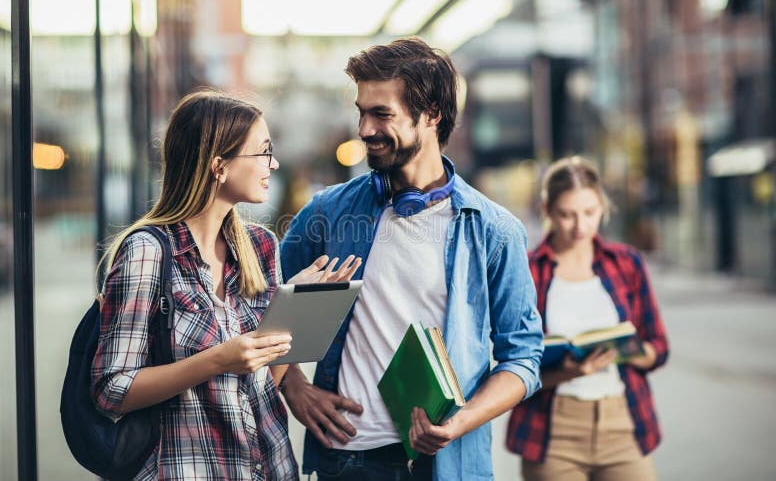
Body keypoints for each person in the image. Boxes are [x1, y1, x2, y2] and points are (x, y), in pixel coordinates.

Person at [279, 37, 544, 481]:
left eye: (381, 114)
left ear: (432, 114)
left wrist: (459, 422)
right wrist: (292, 385)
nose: (364, 129)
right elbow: (251, 300)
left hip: (450, 464)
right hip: (350, 459)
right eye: (362, 112)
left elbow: (523, 358)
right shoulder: (328, 214)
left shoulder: (495, 231)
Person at [90, 90, 361, 480]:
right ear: (218, 164)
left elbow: (261, 382)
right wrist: (219, 359)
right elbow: (111, 389)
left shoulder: (260, 247)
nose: (274, 163)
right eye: (263, 152)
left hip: (270, 465)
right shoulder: (147, 252)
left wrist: (291, 312)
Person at [506, 156, 669, 480]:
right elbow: (511, 364)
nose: (580, 226)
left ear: (603, 207)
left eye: (589, 213)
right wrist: (568, 372)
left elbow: (659, 345)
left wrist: (632, 352)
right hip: (553, 432)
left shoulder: (626, 263)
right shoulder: (527, 271)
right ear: (547, 209)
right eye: (567, 214)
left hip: (623, 422)